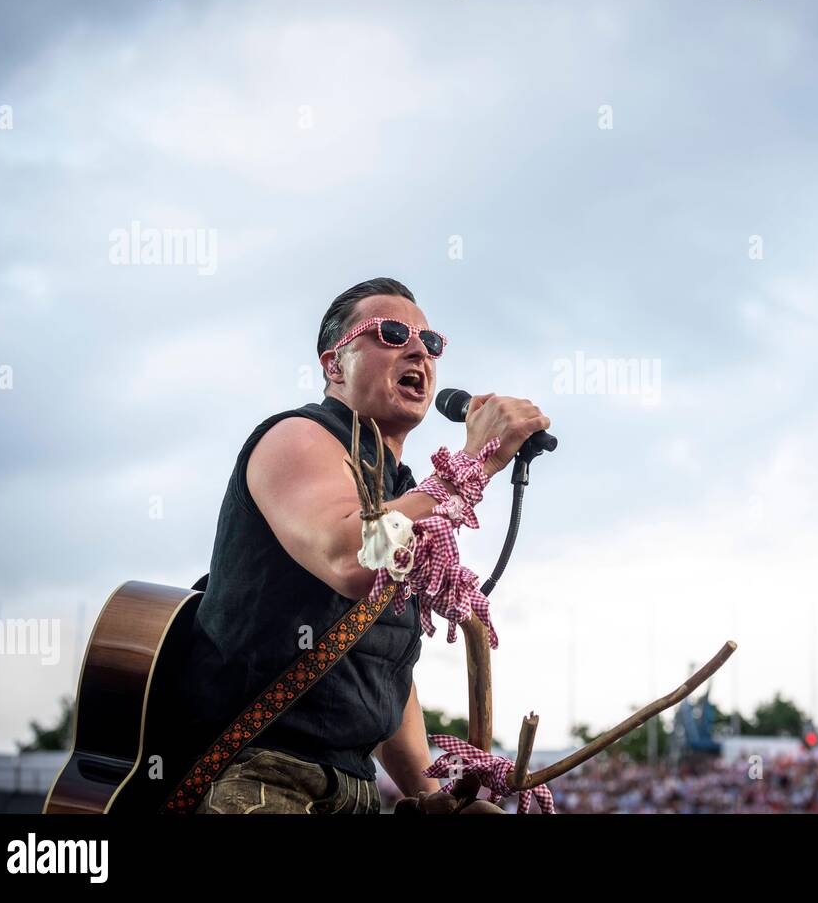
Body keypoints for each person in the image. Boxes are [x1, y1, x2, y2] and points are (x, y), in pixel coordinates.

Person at [172, 277, 550, 813]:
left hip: (356, 793)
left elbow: (380, 669)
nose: (419, 349)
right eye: (392, 333)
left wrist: (433, 797)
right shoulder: (297, 437)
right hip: (260, 779)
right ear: (335, 365)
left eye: (431, 341)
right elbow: (354, 555)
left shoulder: (403, 492)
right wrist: (476, 462)